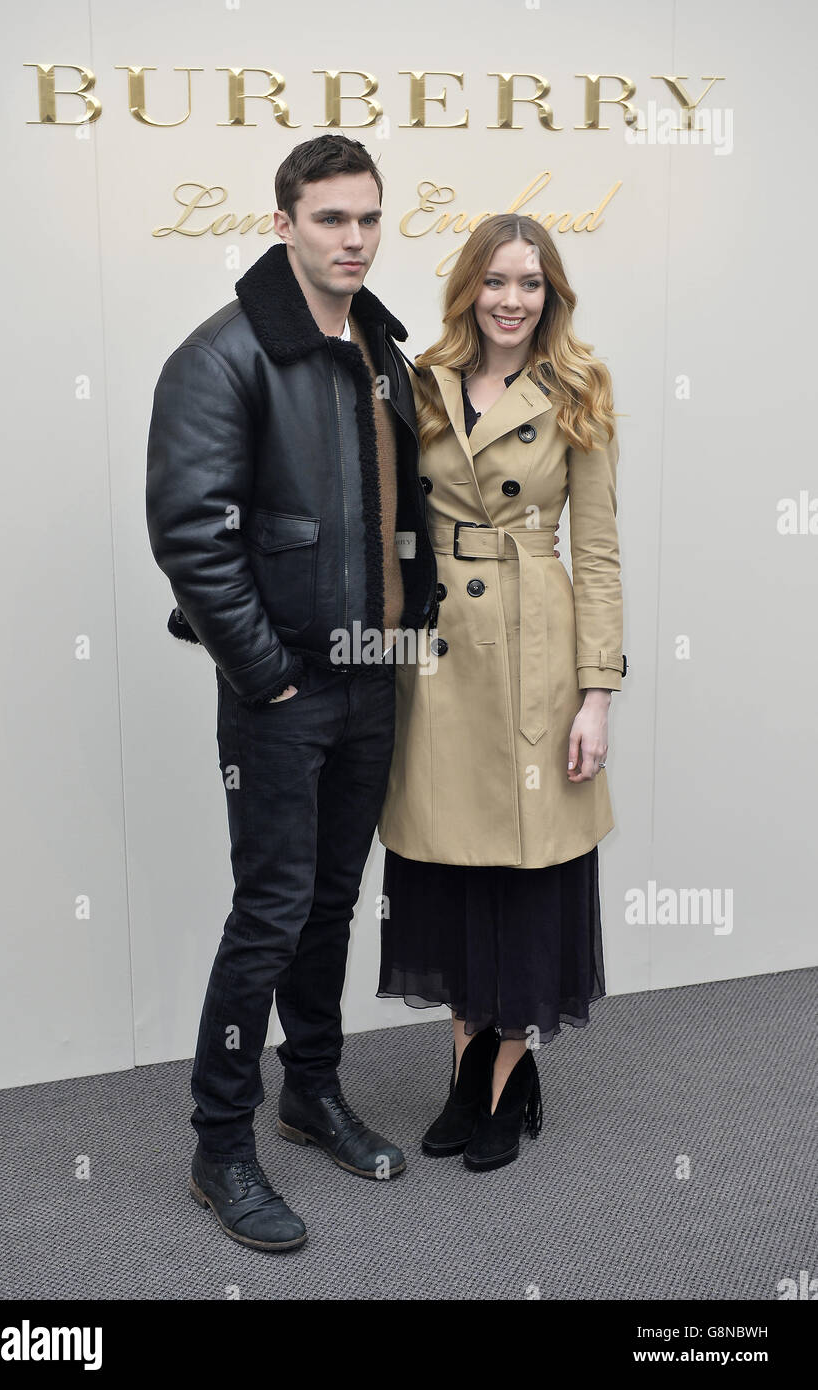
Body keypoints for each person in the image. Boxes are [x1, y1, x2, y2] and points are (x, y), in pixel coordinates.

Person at [145, 134, 437, 1251]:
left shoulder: (378, 349)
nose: (354, 238)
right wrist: (263, 676)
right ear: (285, 224)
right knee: (267, 917)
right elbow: (190, 535)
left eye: (368, 217)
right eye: (330, 219)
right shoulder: (221, 357)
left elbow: (398, 514)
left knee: (330, 905)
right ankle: (221, 1148)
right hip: (282, 694)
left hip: (373, 679)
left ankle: (309, 1092)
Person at [376, 213, 627, 1172]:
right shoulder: (418, 383)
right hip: (439, 654)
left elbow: (596, 555)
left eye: (529, 283)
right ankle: (467, 1066)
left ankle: (503, 1071)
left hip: (537, 646)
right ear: (467, 290)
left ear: (550, 293)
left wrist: (595, 693)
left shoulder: (578, 391)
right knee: (446, 863)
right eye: (494, 282)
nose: (511, 300)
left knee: (527, 868)